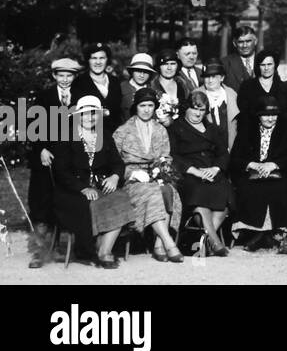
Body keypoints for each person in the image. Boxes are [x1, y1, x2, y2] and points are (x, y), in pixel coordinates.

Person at [49, 96, 132, 268]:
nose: (90, 118)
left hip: (99, 185)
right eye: (85, 114)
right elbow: (61, 171)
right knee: (88, 203)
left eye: (94, 114)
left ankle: (104, 249)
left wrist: (115, 176)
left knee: (121, 198)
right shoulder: (66, 136)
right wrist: (83, 188)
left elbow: (117, 162)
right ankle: (89, 248)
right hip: (71, 189)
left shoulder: (104, 136)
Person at [112, 87, 183, 261]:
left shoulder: (160, 130)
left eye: (150, 105)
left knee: (169, 191)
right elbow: (113, 163)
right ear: (135, 107)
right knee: (152, 193)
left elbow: (166, 157)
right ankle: (169, 244)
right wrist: (131, 174)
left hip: (155, 175)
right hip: (133, 181)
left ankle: (158, 246)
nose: (146, 109)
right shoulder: (122, 131)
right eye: (142, 105)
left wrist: (163, 172)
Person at [25, 57, 81, 269]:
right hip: (46, 156)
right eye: (61, 75)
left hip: (70, 157)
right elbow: (33, 126)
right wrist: (42, 149)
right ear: (54, 76)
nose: (65, 79)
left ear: (74, 77)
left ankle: (63, 246)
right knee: (42, 200)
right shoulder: (44, 96)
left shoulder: (80, 96)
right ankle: (40, 250)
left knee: (66, 197)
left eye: (69, 75)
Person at [168, 90, 231, 257]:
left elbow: (223, 153)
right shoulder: (176, 128)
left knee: (224, 192)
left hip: (211, 171)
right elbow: (173, 156)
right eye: (194, 108)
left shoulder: (213, 129)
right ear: (186, 108)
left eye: (202, 110)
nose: (198, 113)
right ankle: (215, 242)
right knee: (199, 193)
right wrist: (196, 172)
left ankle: (206, 239)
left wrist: (215, 169)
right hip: (189, 174)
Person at [229, 96, 287, 252]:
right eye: (266, 115)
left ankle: (264, 236)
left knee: (279, 189)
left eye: (273, 115)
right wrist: (253, 164)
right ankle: (260, 234)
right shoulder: (247, 131)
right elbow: (236, 158)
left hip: (277, 173)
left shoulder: (286, 131)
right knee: (248, 189)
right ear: (259, 116)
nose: (270, 119)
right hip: (252, 174)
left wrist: (273, 165)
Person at [236, 49, 285, 134]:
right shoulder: (247, 86)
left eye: (269, 64)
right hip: (251, 131)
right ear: (258, 66)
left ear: (275, 65)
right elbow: (243, 111)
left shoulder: (283, 87)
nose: (266, 68)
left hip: (278, 133)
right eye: (263, 65)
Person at [198, 62, 239, 150]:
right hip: (207, 148)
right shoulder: (197, 94)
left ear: (222, 78)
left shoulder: (231, 94)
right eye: (207, 77)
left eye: (214, 77)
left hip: (230, 146)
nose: (210, 80)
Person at [118, 53, 158, 126]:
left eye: (146, 72)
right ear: (131, 71)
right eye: (138, 70)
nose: (141, 75)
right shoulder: (121, 88)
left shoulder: (153, 90)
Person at [220, 27, 257, 92]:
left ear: (255, 41)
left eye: (248, 41)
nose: (245, 45)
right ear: (234, 43)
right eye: (240, 42)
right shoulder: (225, 63)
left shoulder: (267, 61)